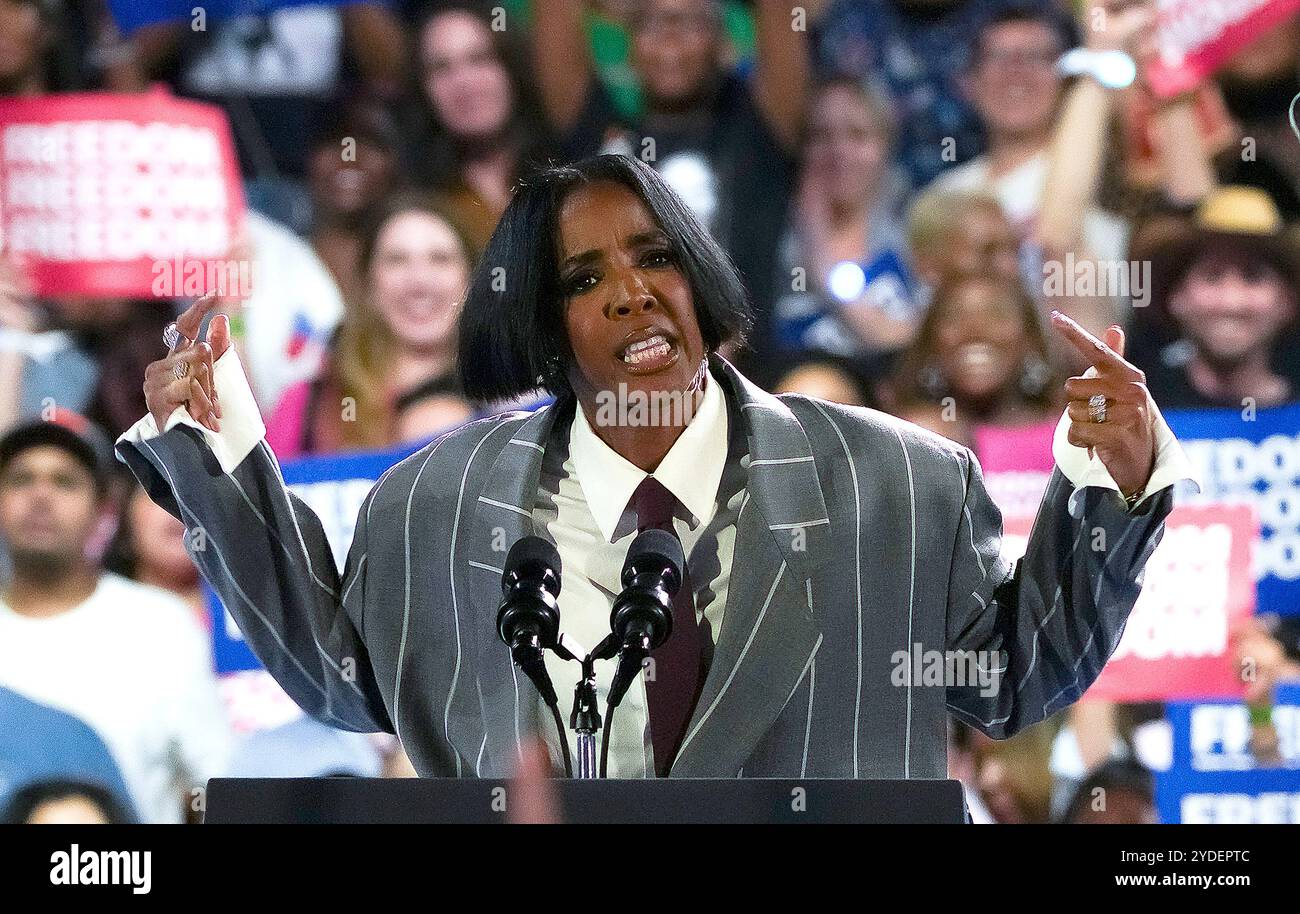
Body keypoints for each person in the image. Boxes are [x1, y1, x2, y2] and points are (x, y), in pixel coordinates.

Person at [119, 154, 1193, 782]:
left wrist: (1113, 483)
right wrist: (216, 459)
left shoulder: (897, 480)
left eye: (655, 255)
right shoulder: (435, 501)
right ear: (544, 328)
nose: (633, 293)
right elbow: (347, 678)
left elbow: (1008, 678)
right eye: (585, 278)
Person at [534, 0, 821, 366]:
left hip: (756, 374)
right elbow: (553, 14)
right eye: (650, 23)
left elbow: (780, 13)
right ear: (629, 45)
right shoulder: (601, 136)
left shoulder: (757, 130)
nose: (670, 38)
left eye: (690, 23)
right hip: (628, 368)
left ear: (722, 41)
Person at [0, 410, 231, 822]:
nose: (40, 495)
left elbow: (215, 784)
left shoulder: (161, 627)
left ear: (104, 510)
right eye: (21, 479)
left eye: (64, 481)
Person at [265, 195, 475, 459]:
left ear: (471, 280)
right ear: (369, 284)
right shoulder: (311, 399)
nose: (420, 280)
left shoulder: (511, 399)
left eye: (440, 259)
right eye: (397, 260)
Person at [404, 2, 557, 253]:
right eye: (441, 68)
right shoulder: (417, 205)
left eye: (480, 59)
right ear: (423, 89)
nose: (463, 82)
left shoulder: (565, 174)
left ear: (511, 68)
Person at [1136, 186, 1300, 410]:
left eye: (1253, 277)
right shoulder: (1138, 408)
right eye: (1212, 277)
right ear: (1175, 296)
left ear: (1288, 301)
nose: (1231, 303)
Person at [886, 273, 1058, 447]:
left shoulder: (1069, 439)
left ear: (1030, 338)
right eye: (954, 315)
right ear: (931, 341)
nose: (975, 330)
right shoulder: (911, 438)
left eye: (996, 314)